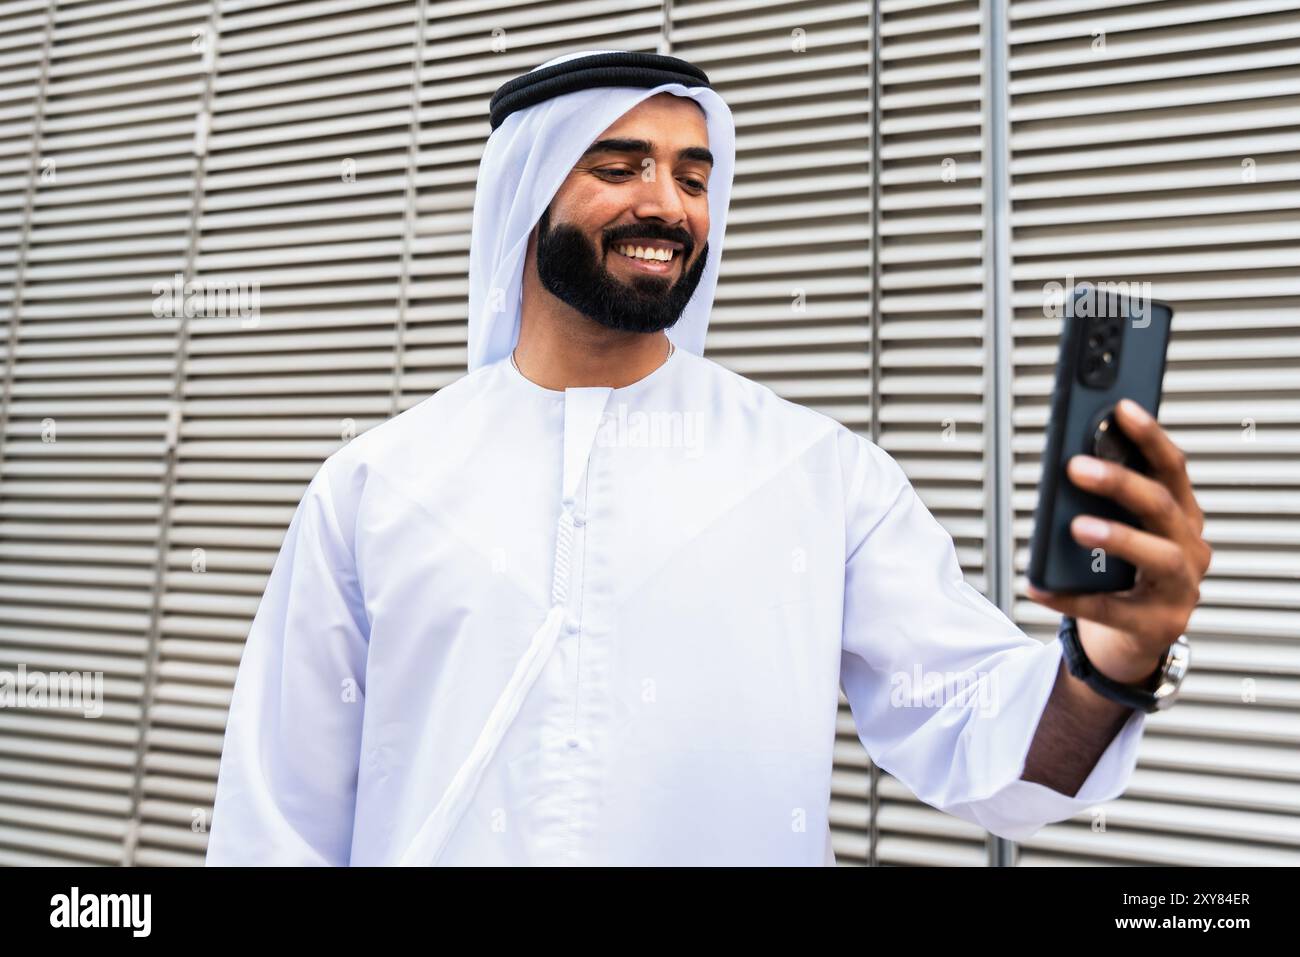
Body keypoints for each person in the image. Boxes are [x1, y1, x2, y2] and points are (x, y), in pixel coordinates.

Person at [205, 50, 1210, 866]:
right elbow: (278, 816)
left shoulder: (816, 474)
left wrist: (1110, 665)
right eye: (618, 166)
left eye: (693, 176)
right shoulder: (377, 485)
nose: (670, 205)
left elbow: (981, 746)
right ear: (525, 197)